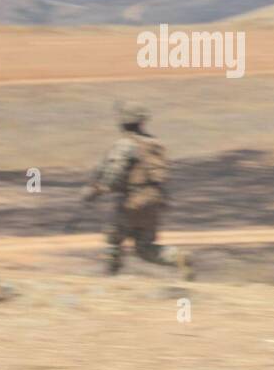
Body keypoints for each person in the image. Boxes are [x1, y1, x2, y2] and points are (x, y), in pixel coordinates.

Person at [82, 103, 193, 280]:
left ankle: (110, 277)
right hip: (154, 202)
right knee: (145, 247)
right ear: (141, 123)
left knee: (113, 239)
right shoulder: (155, 143)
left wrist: (97, 190)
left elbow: (114, 172)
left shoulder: (125, 144)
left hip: (132, 201)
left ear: (123, 123)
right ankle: (178, 256)